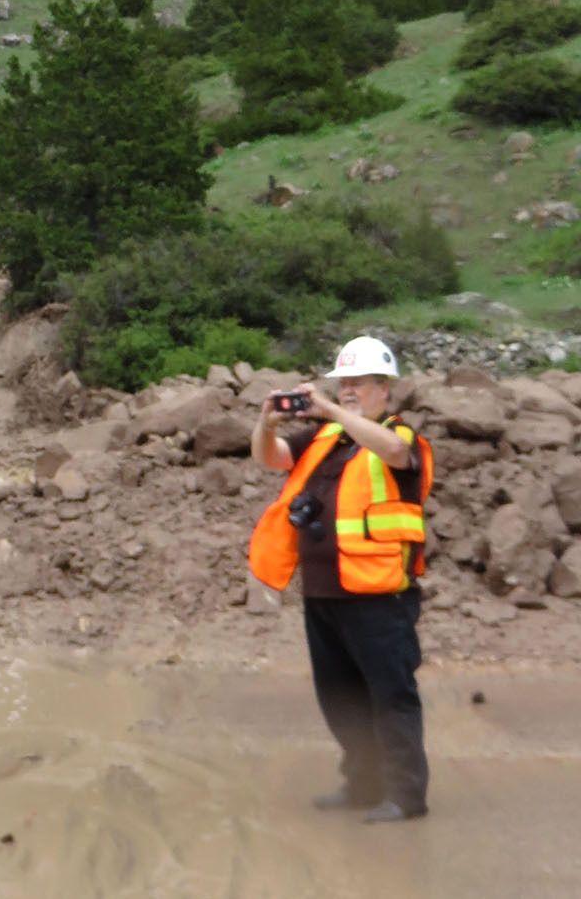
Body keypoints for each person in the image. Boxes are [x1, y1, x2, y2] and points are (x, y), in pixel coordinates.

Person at [247, 336, 435, 824]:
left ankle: (406, 795)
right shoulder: (324, 440)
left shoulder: (399, 436)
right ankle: (362, 784)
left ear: (382, 388)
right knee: (340, 697)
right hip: (323, 592)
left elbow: (394, 452)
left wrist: (330, 408)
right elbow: (268, 458)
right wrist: (265, 423)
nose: (349, 390)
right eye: (343, 383)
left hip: (379, 597)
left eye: (356, 383)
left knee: (389, 695)